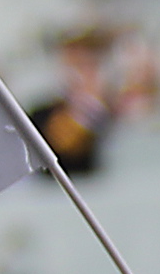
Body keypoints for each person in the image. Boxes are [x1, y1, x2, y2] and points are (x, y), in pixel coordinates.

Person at [27, 25, 123, 177]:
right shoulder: (42, 113)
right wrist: (88, 107)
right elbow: (63, 144)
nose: (77, 74)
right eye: (71, 64)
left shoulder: (119, 111)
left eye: (85, 64)